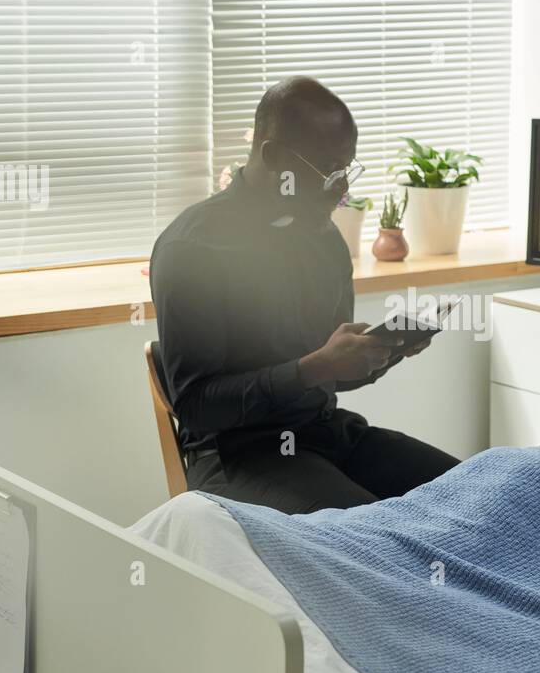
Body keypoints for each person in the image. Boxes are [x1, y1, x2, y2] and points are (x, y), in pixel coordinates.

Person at [149, 76, 460, 513]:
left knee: (475, 493)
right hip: (239, 454)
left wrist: (380, 352)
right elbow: (198, 406)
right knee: (370, 534)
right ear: (274, 157)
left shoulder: (323, 239)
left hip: (324, 432)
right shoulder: (193, 248)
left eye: (347, 170)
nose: (343, 190)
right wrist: (314, 367)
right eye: (329, 172)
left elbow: (331, 371)